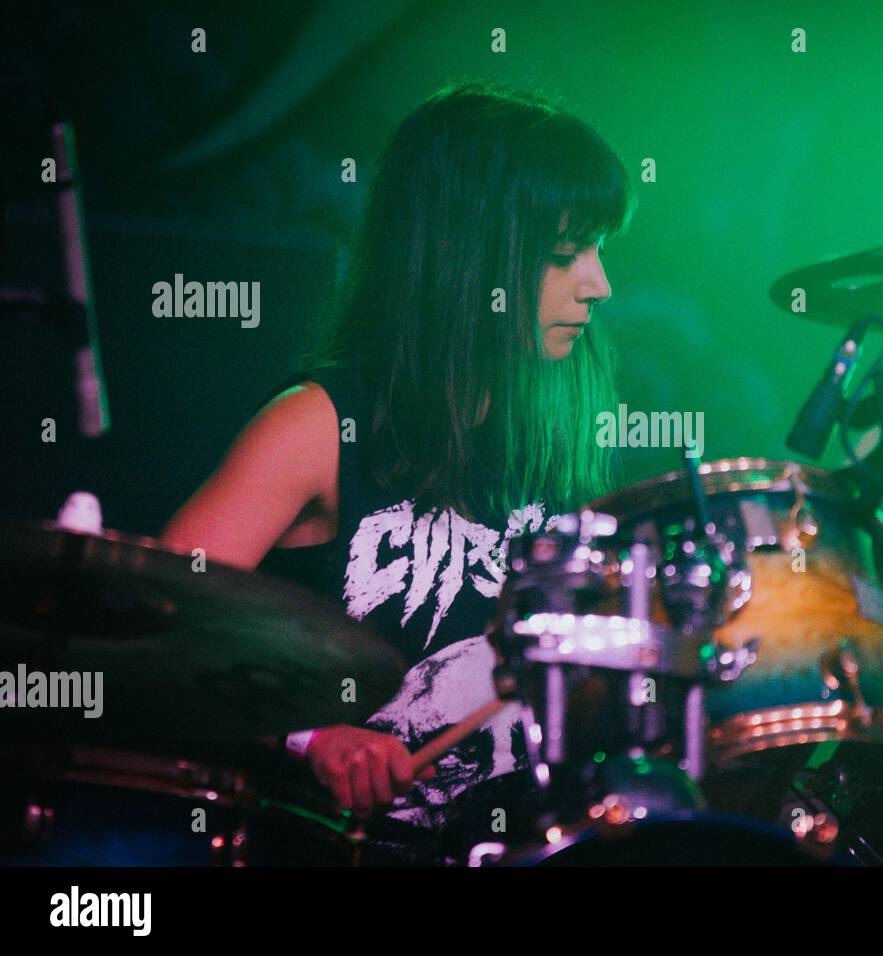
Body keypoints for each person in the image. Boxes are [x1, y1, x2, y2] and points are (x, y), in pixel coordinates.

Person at [160, 79, 634, 861]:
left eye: (599, 250)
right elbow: (160, 630)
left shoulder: (540, 442)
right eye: (563, 254)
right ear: (468, 255)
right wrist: (313, 736)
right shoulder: (312, 425)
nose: (599, 285)